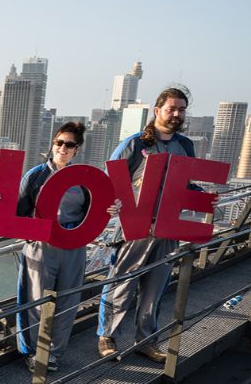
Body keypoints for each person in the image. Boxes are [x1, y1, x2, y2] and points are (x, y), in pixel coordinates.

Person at [0, 122, 121, 372]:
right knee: (33, 302)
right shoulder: (36, 175)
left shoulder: (84, 179)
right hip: (40, 245)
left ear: (76, 149)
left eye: (69, 144)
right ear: (53, 144)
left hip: (73, 246)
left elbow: (96, 210)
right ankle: (31, 353)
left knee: (68, 303)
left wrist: (112, 210)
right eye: (59, 142)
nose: (62, 148)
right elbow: (16, 211)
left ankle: (53, 354)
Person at [96, 87, 204, 363]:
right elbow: (110, 181)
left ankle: (146, 341)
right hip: (135, 226)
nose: (177, 114)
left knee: (155, 288)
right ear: (157, 111)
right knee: (122, 284)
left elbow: (187, 183)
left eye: (181, 109)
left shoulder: (186, 146)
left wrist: (203, 197)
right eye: (172, 109)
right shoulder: (134, 144)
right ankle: (107, 337)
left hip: (168, 228)